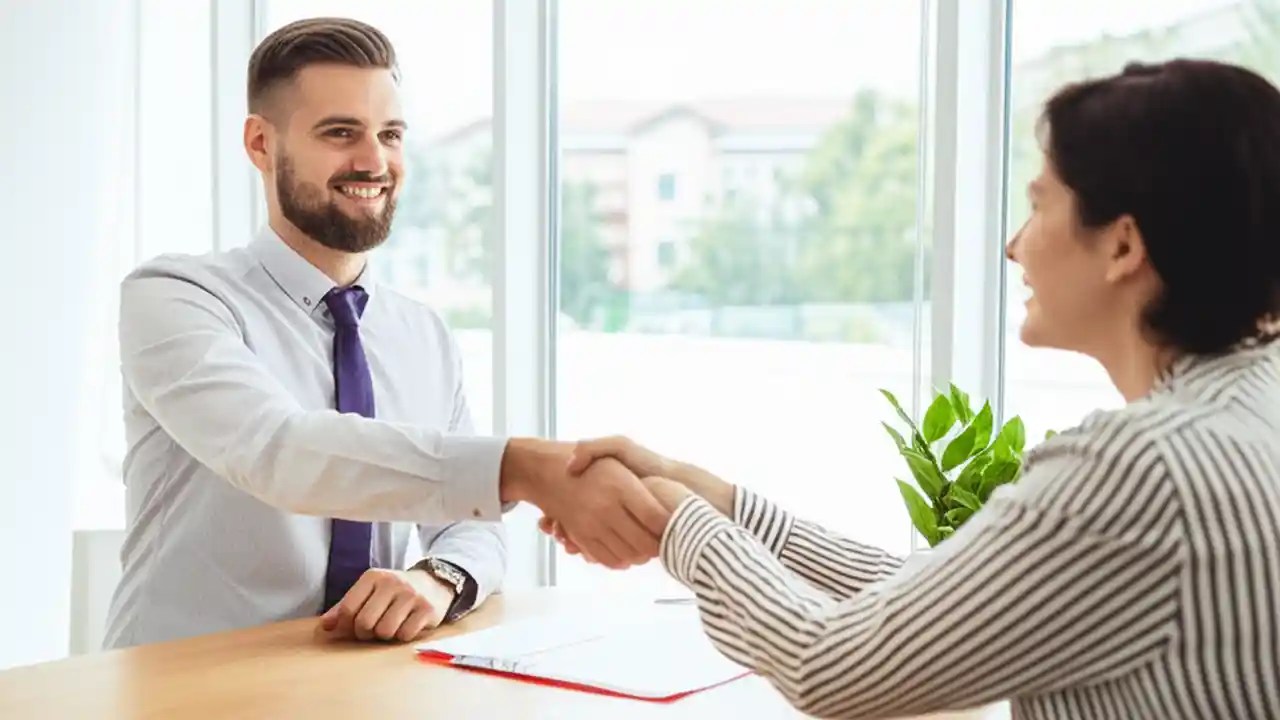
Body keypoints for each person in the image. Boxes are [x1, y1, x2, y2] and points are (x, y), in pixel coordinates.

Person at [547, 58, 1280, 718]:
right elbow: (947, 596)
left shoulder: (1137, 468)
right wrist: (728, 507)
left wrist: (681, 525)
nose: (1013, 244)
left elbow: (831, 668)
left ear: (1122, 245)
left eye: (1040, 205)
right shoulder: (1253, 403)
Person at [104, 17, 666, 649]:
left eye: (390, 134)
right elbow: (278, 452)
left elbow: (470, 525)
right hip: (179, 690)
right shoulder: (177, 297)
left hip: (364, 685)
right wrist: (522, 467)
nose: (374, 161)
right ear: (261, 145)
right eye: (340, 132)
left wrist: (438, 577)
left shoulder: (421, 334)